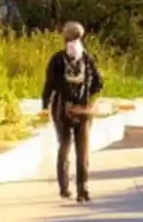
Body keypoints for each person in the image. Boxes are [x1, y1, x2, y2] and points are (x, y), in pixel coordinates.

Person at [41, 21, 104, 203]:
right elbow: (99, 83)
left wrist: (45, 105)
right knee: (82, 150)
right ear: (82, 37)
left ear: (64, 38)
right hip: (84, 110)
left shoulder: (57, 59)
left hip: (62, 109)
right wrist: (88, 98)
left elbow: (50, 84)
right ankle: (83, 190)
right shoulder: (87, 59)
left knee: (65, 145)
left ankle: (64, 188)